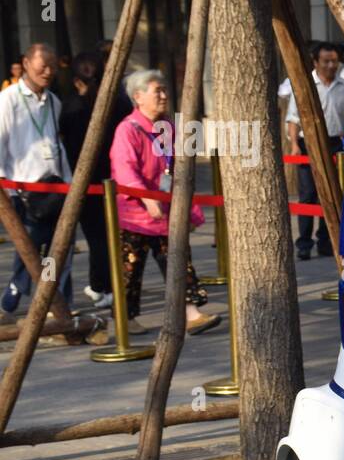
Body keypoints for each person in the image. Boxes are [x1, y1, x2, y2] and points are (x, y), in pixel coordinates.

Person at [109, 69, 218, 336]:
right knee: (130, 270)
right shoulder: (128, 129)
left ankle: (191, 313)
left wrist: (191, 212)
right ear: (138, 97)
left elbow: (179, 170)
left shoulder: (167, 127)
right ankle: (126, 318)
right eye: (156, 91)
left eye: (164, 90)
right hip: (136, 214)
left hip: (166, 211)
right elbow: (124, 169)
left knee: (179, 261)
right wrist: (147, 199)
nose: (163, 95)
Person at [0, 43, 74, 323]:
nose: (48, 71)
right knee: (28, 251)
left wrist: (68, 182)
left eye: (52, 66)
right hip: (23, 190)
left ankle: (59, 302)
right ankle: (13, 297)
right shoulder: (8, 100)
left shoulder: (53, 101)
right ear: (27, 63)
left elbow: (57, 145)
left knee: (58, 251)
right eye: (42, 65)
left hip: (55, 187)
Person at [58, 51, 121, 309]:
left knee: (95, 237)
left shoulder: (72, 108)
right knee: (109, 235)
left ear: (75, 80)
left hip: (84, 181)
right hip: (112, 179)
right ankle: (107, 285)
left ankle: (100, 286)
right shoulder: (113, 102)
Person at [285, 41, 344, 260]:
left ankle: (326, 241)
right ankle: (304, 244)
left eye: (334, 61)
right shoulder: (305, 85)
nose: (330, 65)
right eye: (326, 61)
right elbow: (293, 117)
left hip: (335, 143)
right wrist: (295, 145)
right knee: (308, 195)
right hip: (309, 144)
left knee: (333, 194)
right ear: (316, 62)